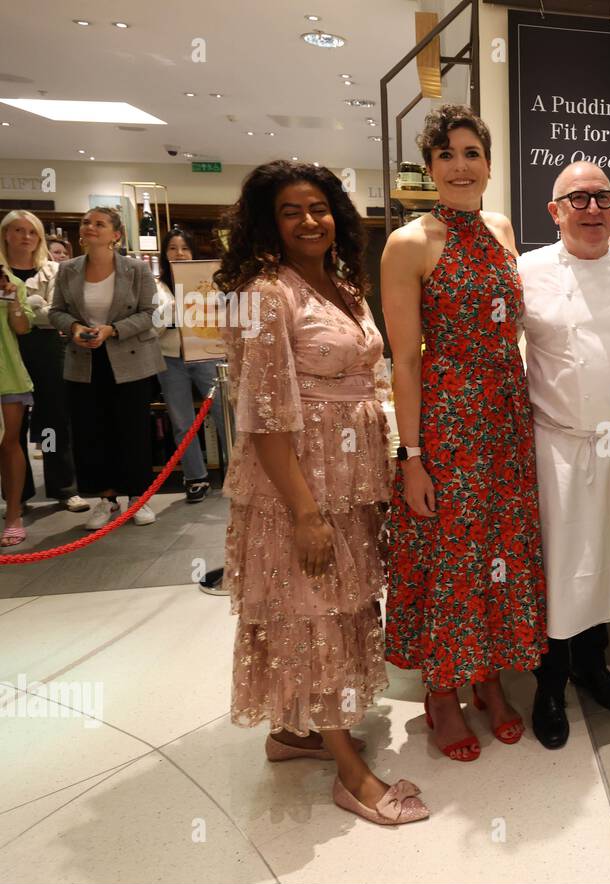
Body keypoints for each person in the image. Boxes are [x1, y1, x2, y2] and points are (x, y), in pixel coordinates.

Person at [214, 159, 428, 826]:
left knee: (334, 603)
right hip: (300, 482)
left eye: (318, 208)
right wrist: (305, 512)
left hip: (350, 477)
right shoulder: (265, 294)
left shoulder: (342, 282)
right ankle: (351, 774)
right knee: (314, 609)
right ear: (268, 223)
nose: (308, 221)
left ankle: (295, 732)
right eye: (290, 211)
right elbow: (263, 416)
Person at [383, 104, 547, 762]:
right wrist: (412, 457)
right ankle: (442, 692)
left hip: (506, 420)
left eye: (470, 152)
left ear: (488, 163)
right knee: (450, 559)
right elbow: (403, 360)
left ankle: (489, 678)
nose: (459, 165)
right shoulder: (409, 243)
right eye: (445, 154)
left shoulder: (502, 227)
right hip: (448, 424)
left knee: (497, 555)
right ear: (429, 167)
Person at [516, 161, 610, 748]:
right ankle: (549, 682)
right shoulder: (527, 271)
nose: (593, 209)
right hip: (555, 443)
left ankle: (593, 666)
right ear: (555, 211)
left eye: (603, 198)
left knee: (605, 560)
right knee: (558, 568)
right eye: (578, 199)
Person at [48, 207, 164, 530]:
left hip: (129, 358)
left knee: (132, 430)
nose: (90, 227)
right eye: (86, 222)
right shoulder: (68, 269)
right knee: (91, 432)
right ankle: (107, 498)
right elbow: (56, 311)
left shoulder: (136, 269)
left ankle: (138, 497)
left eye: (99, 224)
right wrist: (74, 328)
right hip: (84, 360)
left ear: (116, 235)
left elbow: (149, 313)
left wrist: (112, 330)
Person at [2, 211, 85, 512]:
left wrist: (24, 308)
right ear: (6, 234)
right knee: (13, 427)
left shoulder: (53, 270)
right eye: (18, 230)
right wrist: (34, 308)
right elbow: (41, 312)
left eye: (32, 231)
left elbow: (56, 314)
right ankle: (18, 494)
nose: (25, 237)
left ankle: (62, 486)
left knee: (54, 418)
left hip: (47, 348)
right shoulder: (1, 270)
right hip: (7, 349)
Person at [155, 227, 226, 503]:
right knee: (182, 421)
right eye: (173, 248)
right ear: (164, 253)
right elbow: (152, 326)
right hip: (170, 358)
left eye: (184, 248)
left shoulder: (208, 280)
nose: (179, 253)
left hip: (207, 354)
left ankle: (238, 472)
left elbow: (222, 317)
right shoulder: (155, 286)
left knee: (223, 414)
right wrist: (174, 308)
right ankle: (196, 478)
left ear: (193, 252)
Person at [0, 230, 36, 546]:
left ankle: (13, 514)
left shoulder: (12, 283)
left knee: (11, 443)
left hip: (8, 371)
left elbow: (22, 328)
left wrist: (11, 300)